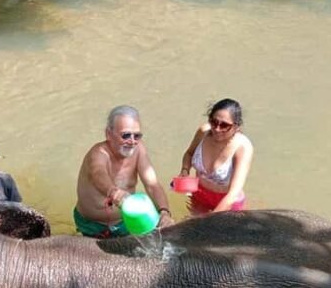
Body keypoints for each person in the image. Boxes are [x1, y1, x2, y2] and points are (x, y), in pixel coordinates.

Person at [74, 106, 174, 238]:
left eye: (137, 136)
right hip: (92, 225)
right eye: (126, 135)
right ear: (108, 134)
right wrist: (113, 192)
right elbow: (98, 174)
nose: (132, 141)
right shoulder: (98, 153)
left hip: (127, 222)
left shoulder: (139, 150)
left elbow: (152, 185)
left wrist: (164, 212)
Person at [178, 98, 253, 213]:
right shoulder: (203, 132)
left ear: (236, 126)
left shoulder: (242, 147)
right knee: (192, 229)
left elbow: (233, 193)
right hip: (199, 195)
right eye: (213, 122)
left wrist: (210, 218)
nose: (217, 129)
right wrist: (185, 171)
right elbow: (189, 154)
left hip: (227, 202)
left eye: (224, 125)